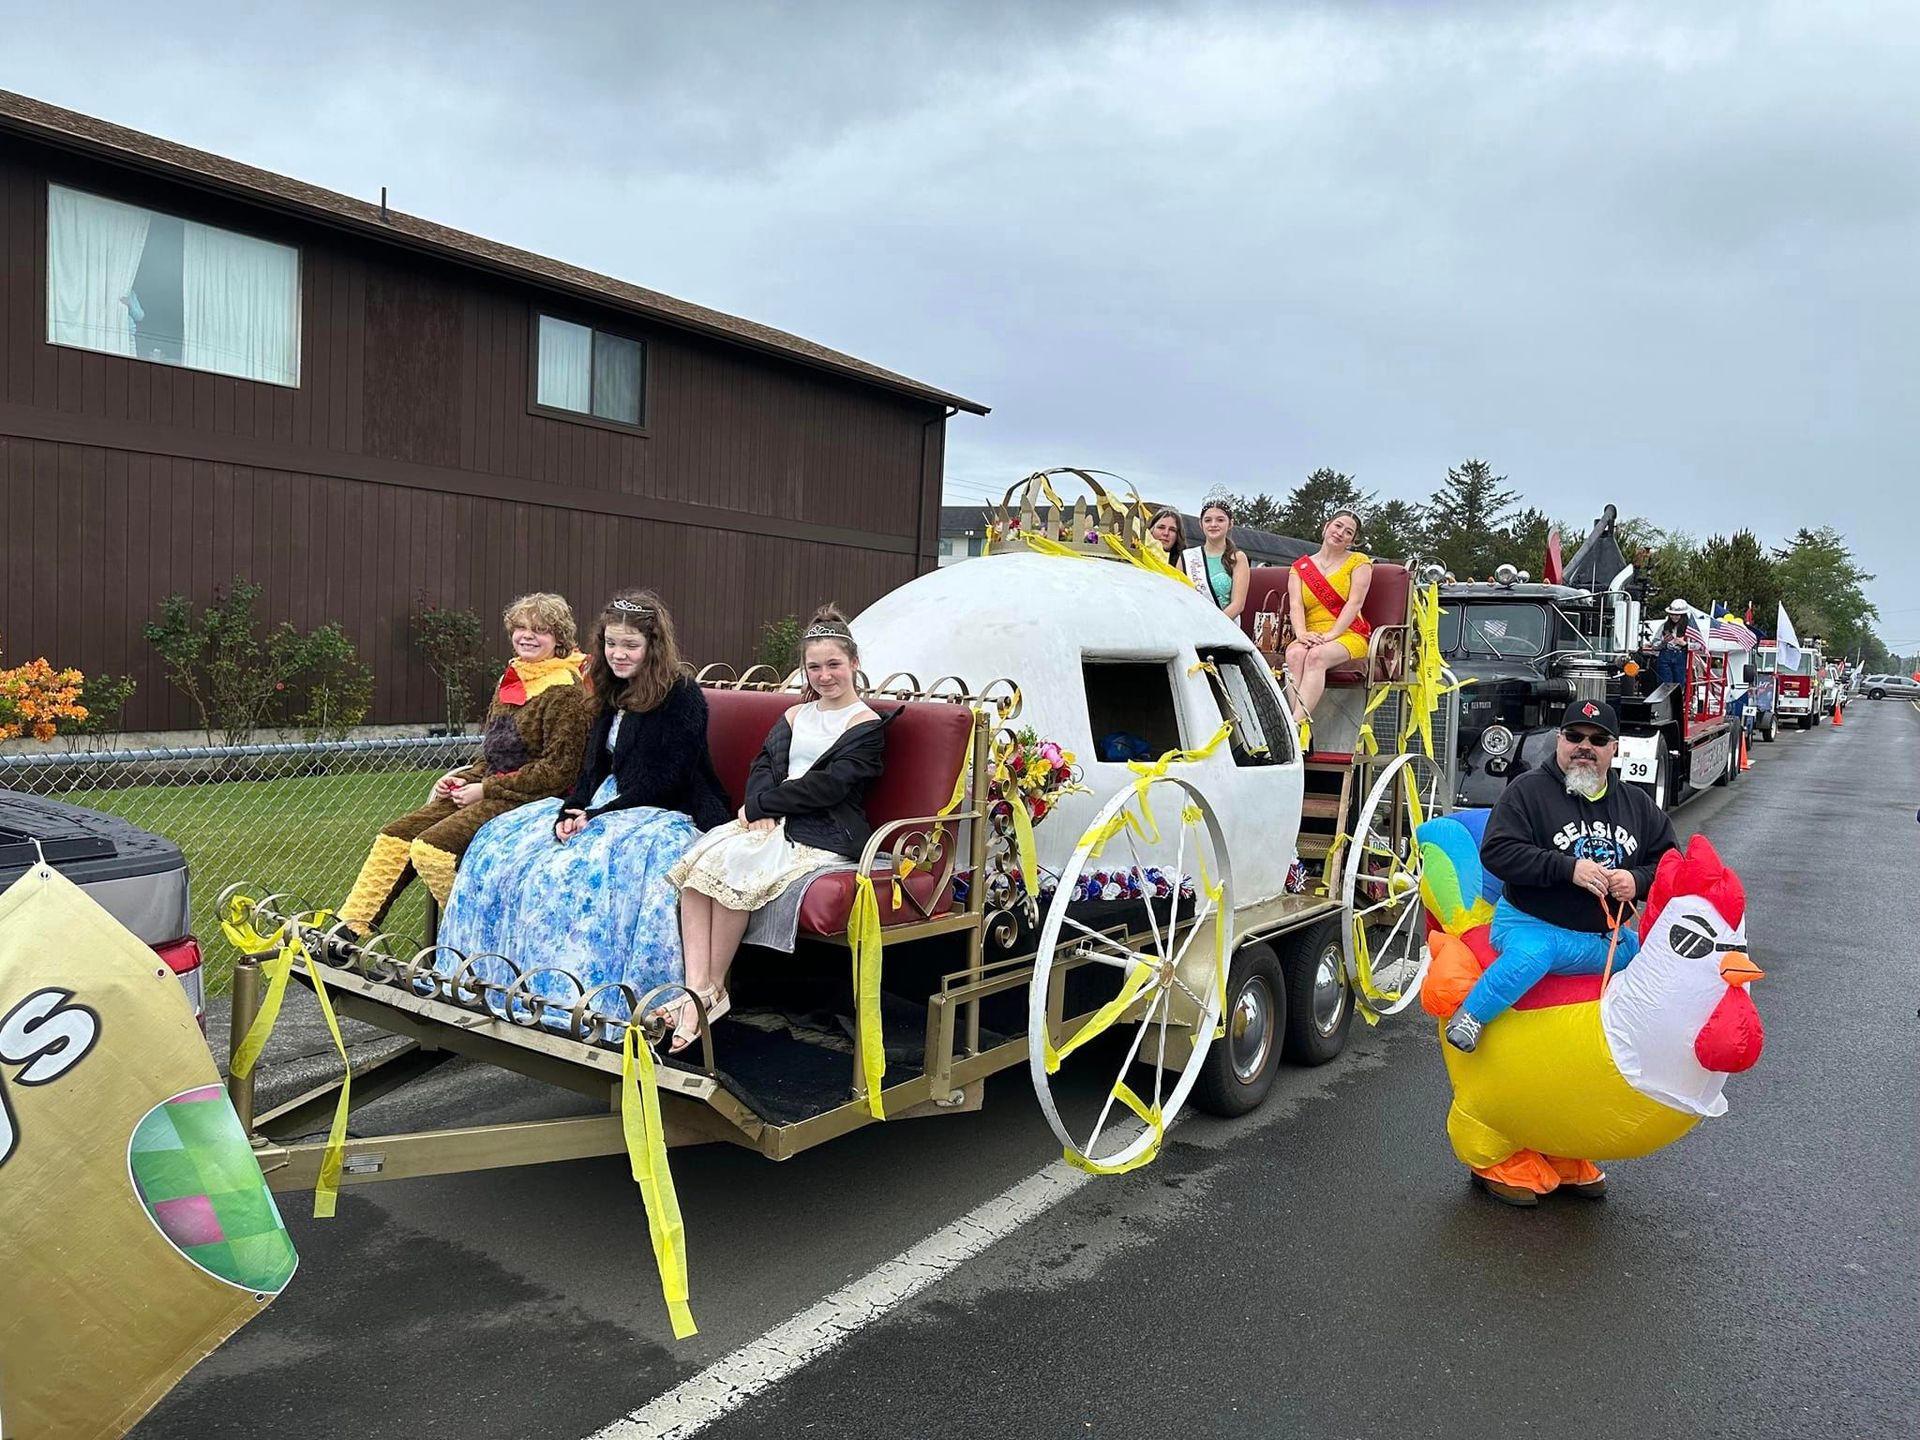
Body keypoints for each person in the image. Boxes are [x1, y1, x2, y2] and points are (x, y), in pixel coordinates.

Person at [434, 591, 728, 1019]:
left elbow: (668, 778)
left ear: (652, 645)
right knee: (501, 845)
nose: (619, 654)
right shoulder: (610, 688)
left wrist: (596, 816)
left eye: (630, 645)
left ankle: (582, 1002)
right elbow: (592, 764)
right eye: (611, 644)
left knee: (578, 871)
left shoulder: (681, 695)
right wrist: (572, 807)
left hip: (663, 808)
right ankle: (496, 981)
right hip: (607, 801)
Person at [664, 605, 889, 1051]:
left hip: (823, 828)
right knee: (696, 870)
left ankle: (705, 996)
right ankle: (702, 990)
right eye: (814, 667)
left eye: (834, 665)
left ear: (855, 664)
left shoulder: (866, 726)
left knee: (736, 871)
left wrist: (762, 804)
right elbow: (764, 763)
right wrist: (756, 802)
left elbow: (830, 787)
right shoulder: (794, 716)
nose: (824, 676)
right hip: (774, 818)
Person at [337, 593, 592, 934]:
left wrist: (484, 788)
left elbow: (559, 772)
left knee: (433, 850)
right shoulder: (514, 677)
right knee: (395, 836)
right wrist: (463, 779)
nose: (527, 636)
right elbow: (492, 754)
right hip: (490, 788)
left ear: (559, 638)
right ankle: (349, 932)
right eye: (520, 627)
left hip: (533, 800)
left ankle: (477, 935)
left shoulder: (565, 690)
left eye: (540, 630)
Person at [1444, 699, 1678, 1053]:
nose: (1585, 747)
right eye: (1575, 736)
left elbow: (1672, 862)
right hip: (1531, 924)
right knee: (1532, 955)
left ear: (1614, 748)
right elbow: (1497, 852)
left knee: (1660, 966)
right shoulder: (1526, 790)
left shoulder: (1638, 804)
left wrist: (1639, 880)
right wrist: (1568, 868)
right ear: (1559, 740)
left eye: (1598, 740)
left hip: (1607, 939)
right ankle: (1472, 1015)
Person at [1283, 508, 1373, 735]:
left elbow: (1355, 603)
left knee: (1316, 656)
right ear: (1326, 527)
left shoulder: (1359, 562)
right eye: (1337, 526)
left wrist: (1332, 634)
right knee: (1294, 654)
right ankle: (1300, 728)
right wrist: (1301, 634)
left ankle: (1292, 727)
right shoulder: (1300, 567)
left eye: (1348, 532)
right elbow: (1296, 606)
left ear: (1352, 540)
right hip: (1311, 633)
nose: (1341, 533)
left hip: (1347, 633)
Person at [1182, 497, 1249, 619]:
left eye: (1220, 520)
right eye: (1208, 520)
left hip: (1225, 628)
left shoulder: (1238, 558)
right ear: (1201, 524)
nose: (1213, 525)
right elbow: (1180, 597)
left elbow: (1238, 605)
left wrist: (1213, 627)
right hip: (1191, 625)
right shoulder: (1187, 557)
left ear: (1230, 524)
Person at [1654, 599, 1692, 687]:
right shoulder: (1664, 626)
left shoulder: (1690, 628)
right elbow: (1654, 644)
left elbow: (1698, 645)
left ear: (1683, 615)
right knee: (1664, 685)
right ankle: (1667, 701)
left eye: (1677, 615)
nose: (1674, 617)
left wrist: (1685, 644)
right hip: (1665, 655)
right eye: (1672, 614)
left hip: (1681, 656)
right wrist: (1663, 642)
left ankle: (1676, 700)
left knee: (1679, 685)